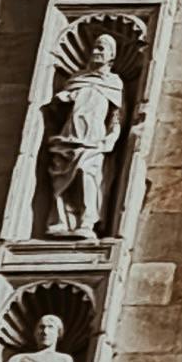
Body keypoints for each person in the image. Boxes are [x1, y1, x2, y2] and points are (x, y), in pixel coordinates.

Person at [38, 30, 129, 238]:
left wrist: (111, 137)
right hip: (69, 133)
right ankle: (61, 221)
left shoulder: (114, 83)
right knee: (59, 178)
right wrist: (61, 101)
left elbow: (117, 115)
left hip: (94, 136)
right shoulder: (77, 79)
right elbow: (57, 111)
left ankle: (87, 222)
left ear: (112, 55)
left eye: (101, 48)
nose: (96, 52)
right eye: (94, 47)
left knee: (87, 174)